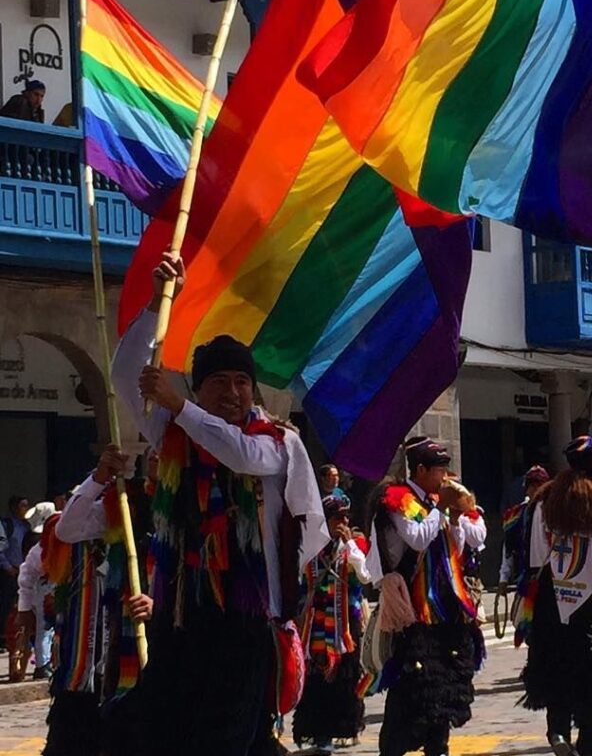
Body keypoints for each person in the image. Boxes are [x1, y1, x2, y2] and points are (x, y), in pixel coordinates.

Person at [109, 252, 327, 756]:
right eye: (218, 382)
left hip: (246, 621)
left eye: (241, 383)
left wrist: (178, 403)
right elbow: (125, 373)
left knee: (224, 738)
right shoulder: (175, 432)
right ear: (201, 388)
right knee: (160, 732)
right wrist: (155, 303)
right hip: (183, 613)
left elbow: (241, 454)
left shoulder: (277, 441)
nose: (232, 392)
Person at [367, 435, 486, 756]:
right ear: (420, 470)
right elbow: (418, 538)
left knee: (446, 686)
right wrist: (442, 506)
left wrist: (456, 517)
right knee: (414, 685)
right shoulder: (400, 499)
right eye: (439, 470)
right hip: (415, 611)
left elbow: (453, 551)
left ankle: (439, 748)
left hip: (446, 609)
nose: (444, 477)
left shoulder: (435, 502)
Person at [519, 437, 592, 756]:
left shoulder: (544, 501)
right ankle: (588, 744)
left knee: (556, 666)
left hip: (553, 600)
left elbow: (535, 557)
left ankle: (557, 730)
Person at [43, 446, 153, 756]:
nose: (157, 456)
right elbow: (67, 528)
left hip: (162, 646)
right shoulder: (120, 504)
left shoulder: (194, 502)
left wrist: (158, 604)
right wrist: (100, 477)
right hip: (99, 644)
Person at [293, 492, 371, 755]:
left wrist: (349, 546)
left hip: (345, 622)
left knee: (344, 675)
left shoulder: (353, 544)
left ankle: (343, 727)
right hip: (315, 622)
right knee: (316, 676)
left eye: (346, 517)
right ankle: (318, 730)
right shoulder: (310, 545)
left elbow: (365, 574)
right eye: (338, 517)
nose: (343, 522)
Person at [498, 466, 550, 607]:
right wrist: (504, 577)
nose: (534, 490)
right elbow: (508, 546)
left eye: (539, 485)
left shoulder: (554, 511)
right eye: (531, 486)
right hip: (526, 576)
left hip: (550, 579)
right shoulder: (518, 515)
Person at [15, 526, 51, 680]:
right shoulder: (39, 548)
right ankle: (42, 664)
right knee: (45, 630)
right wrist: (24, 607)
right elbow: (27, 575)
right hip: (44, 590)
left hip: (48, 590)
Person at [0, 496, 30, 641]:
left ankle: (17, 637)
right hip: (9, 572)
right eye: (22, 505)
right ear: (13, 507)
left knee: (21, 606)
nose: (25, 509)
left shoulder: (27, 526)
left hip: (24, 572)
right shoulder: (6, 525)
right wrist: (8, 567)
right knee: (5, 605)